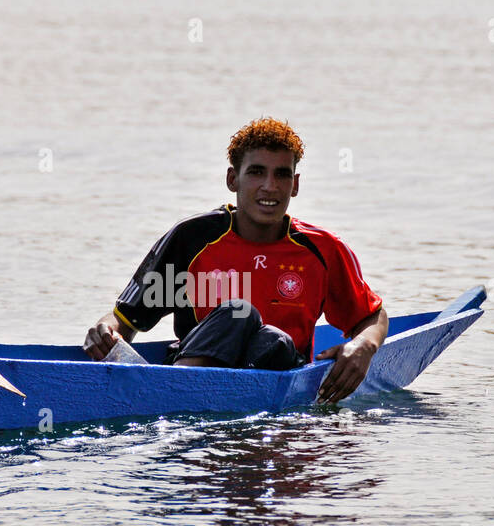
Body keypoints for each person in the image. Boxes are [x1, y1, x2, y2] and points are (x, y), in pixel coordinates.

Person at [83, 118, 388, 403]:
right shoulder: (191, 238)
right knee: (240, 313)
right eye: (256, 172)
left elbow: (372, 317)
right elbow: (126, 320)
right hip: (190, 375)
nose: (270, 186)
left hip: (277, 379)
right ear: (233, 179)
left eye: (281, 175)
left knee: (276, 341)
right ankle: (176, 393)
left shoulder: (323, 249)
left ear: (295, 185)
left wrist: (364, 346)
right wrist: (104, 331)